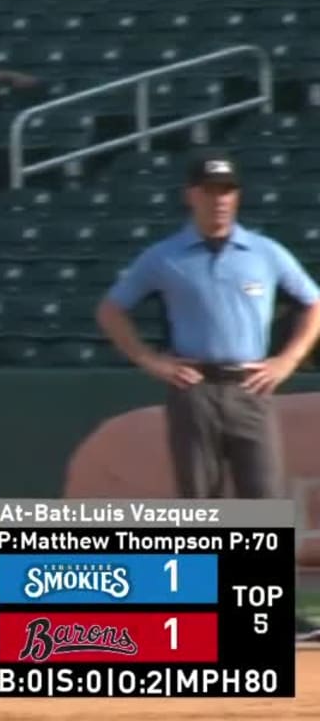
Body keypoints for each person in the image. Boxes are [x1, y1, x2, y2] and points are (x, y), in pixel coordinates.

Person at [94, 151, 320, 643]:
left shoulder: (263, 251)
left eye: (227, 191)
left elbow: (314, 303)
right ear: (191, 195)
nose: (219, 201)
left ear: (236, 195)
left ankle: (274, 618)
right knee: (201, 506)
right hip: (194, 387)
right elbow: (112, 310)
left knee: (262, 504)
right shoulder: (167, 256)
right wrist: (151, 361)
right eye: (210, 190)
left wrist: (286, 362)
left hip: (251, 387)